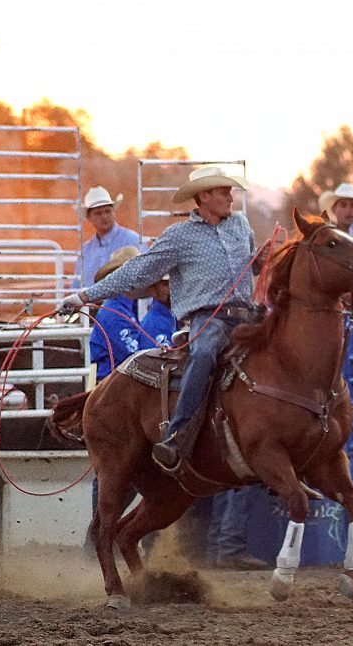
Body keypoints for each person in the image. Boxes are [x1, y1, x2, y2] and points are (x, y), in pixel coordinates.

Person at [60, 166, 256, 471]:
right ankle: (177, 434)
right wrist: (87, 295)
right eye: (223, 192)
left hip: (248, 315)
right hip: (209, 319)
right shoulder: (179, 236)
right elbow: (139, 270)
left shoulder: (241, 226)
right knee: (203, 353)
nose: (230, 197)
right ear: (204, 196)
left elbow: (250, 266)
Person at [87, 247, 156, 381]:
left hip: (117, 382)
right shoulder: (114, 312)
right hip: (114, 386)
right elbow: (133, 357)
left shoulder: (121, 309)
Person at [79, 186, 143, 288]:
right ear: (89, 217)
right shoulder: (85, 250)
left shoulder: (133, 240)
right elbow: (77, 285)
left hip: (124, 302)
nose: (104, 216)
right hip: (89, 302)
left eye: (107, 211)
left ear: (114, 212)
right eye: (98, 213)